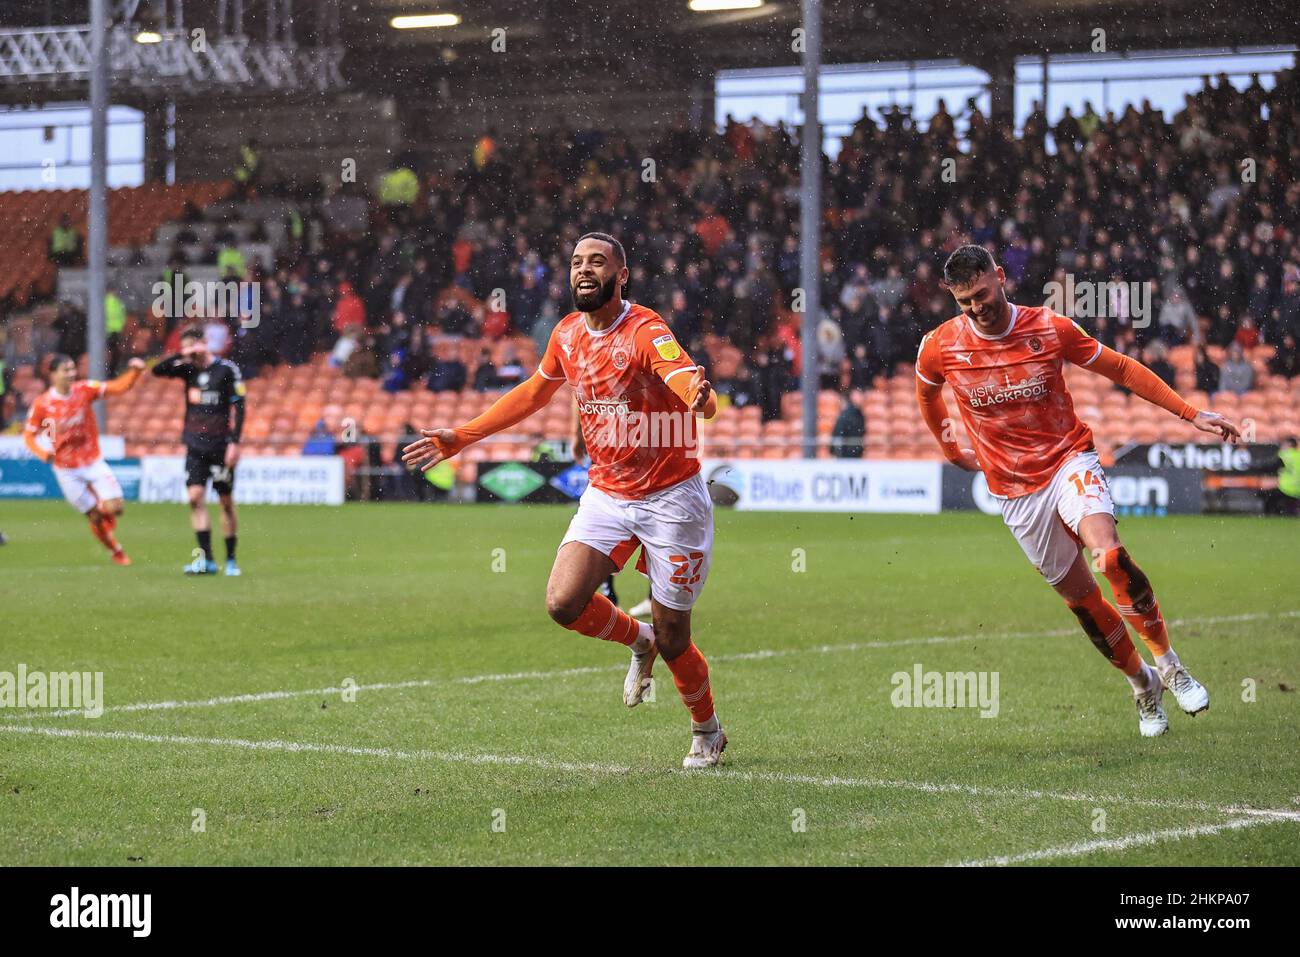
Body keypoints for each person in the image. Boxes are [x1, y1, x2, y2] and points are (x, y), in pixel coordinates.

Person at [403, 233, 724, 767]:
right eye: (576, 262)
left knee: (676, 638)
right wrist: (463, 435)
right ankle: (635, 638)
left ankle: (706, 728)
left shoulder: (645, 330)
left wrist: (699, 395)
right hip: (608, 492)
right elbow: (533, 391)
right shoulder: (568, 333)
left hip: (671, 499)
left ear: (621, 275)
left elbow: (683, 378)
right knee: (563, 602)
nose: (583, 270)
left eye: (596, 262)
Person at [915, 245, 1239, 737]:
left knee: (1109, 558)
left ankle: (1170, 665)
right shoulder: (940, 346)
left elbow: (1122, 368)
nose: (977, 307)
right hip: (1014, 491)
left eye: (982, 293)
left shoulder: (1049, 328)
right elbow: (926, 394)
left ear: (1000, 277)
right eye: (965, 302)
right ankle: (1143, 686)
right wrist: (947, 447)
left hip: (1069, 459)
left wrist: (1191, 413)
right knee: (1082, 601)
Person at [24, 354, 145, 565]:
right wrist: (43, 453)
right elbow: (29, 435)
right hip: (66, 469)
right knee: (95, 517)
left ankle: (101, 507)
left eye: (72, 369)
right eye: (65, 370)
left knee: (116, 508)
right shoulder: (42, 404)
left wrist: (135, 372)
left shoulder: (84, 389)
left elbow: (118, 387)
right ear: (52, 374)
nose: (71, 374)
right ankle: (116, 550)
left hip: (92, 461)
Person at [152, 327, 247, 576]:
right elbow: (156, 370)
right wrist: (180, 355)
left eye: (193, 345)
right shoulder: (188, 369)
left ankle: (231, 560)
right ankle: (207, 560)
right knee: (195, 498)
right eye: (187, 347)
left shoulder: (227, 369)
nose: (190, 351)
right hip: (195, 446)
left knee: (225, 502)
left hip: (220, 446)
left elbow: (240, 406)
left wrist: (235, 443)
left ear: (204, 343)